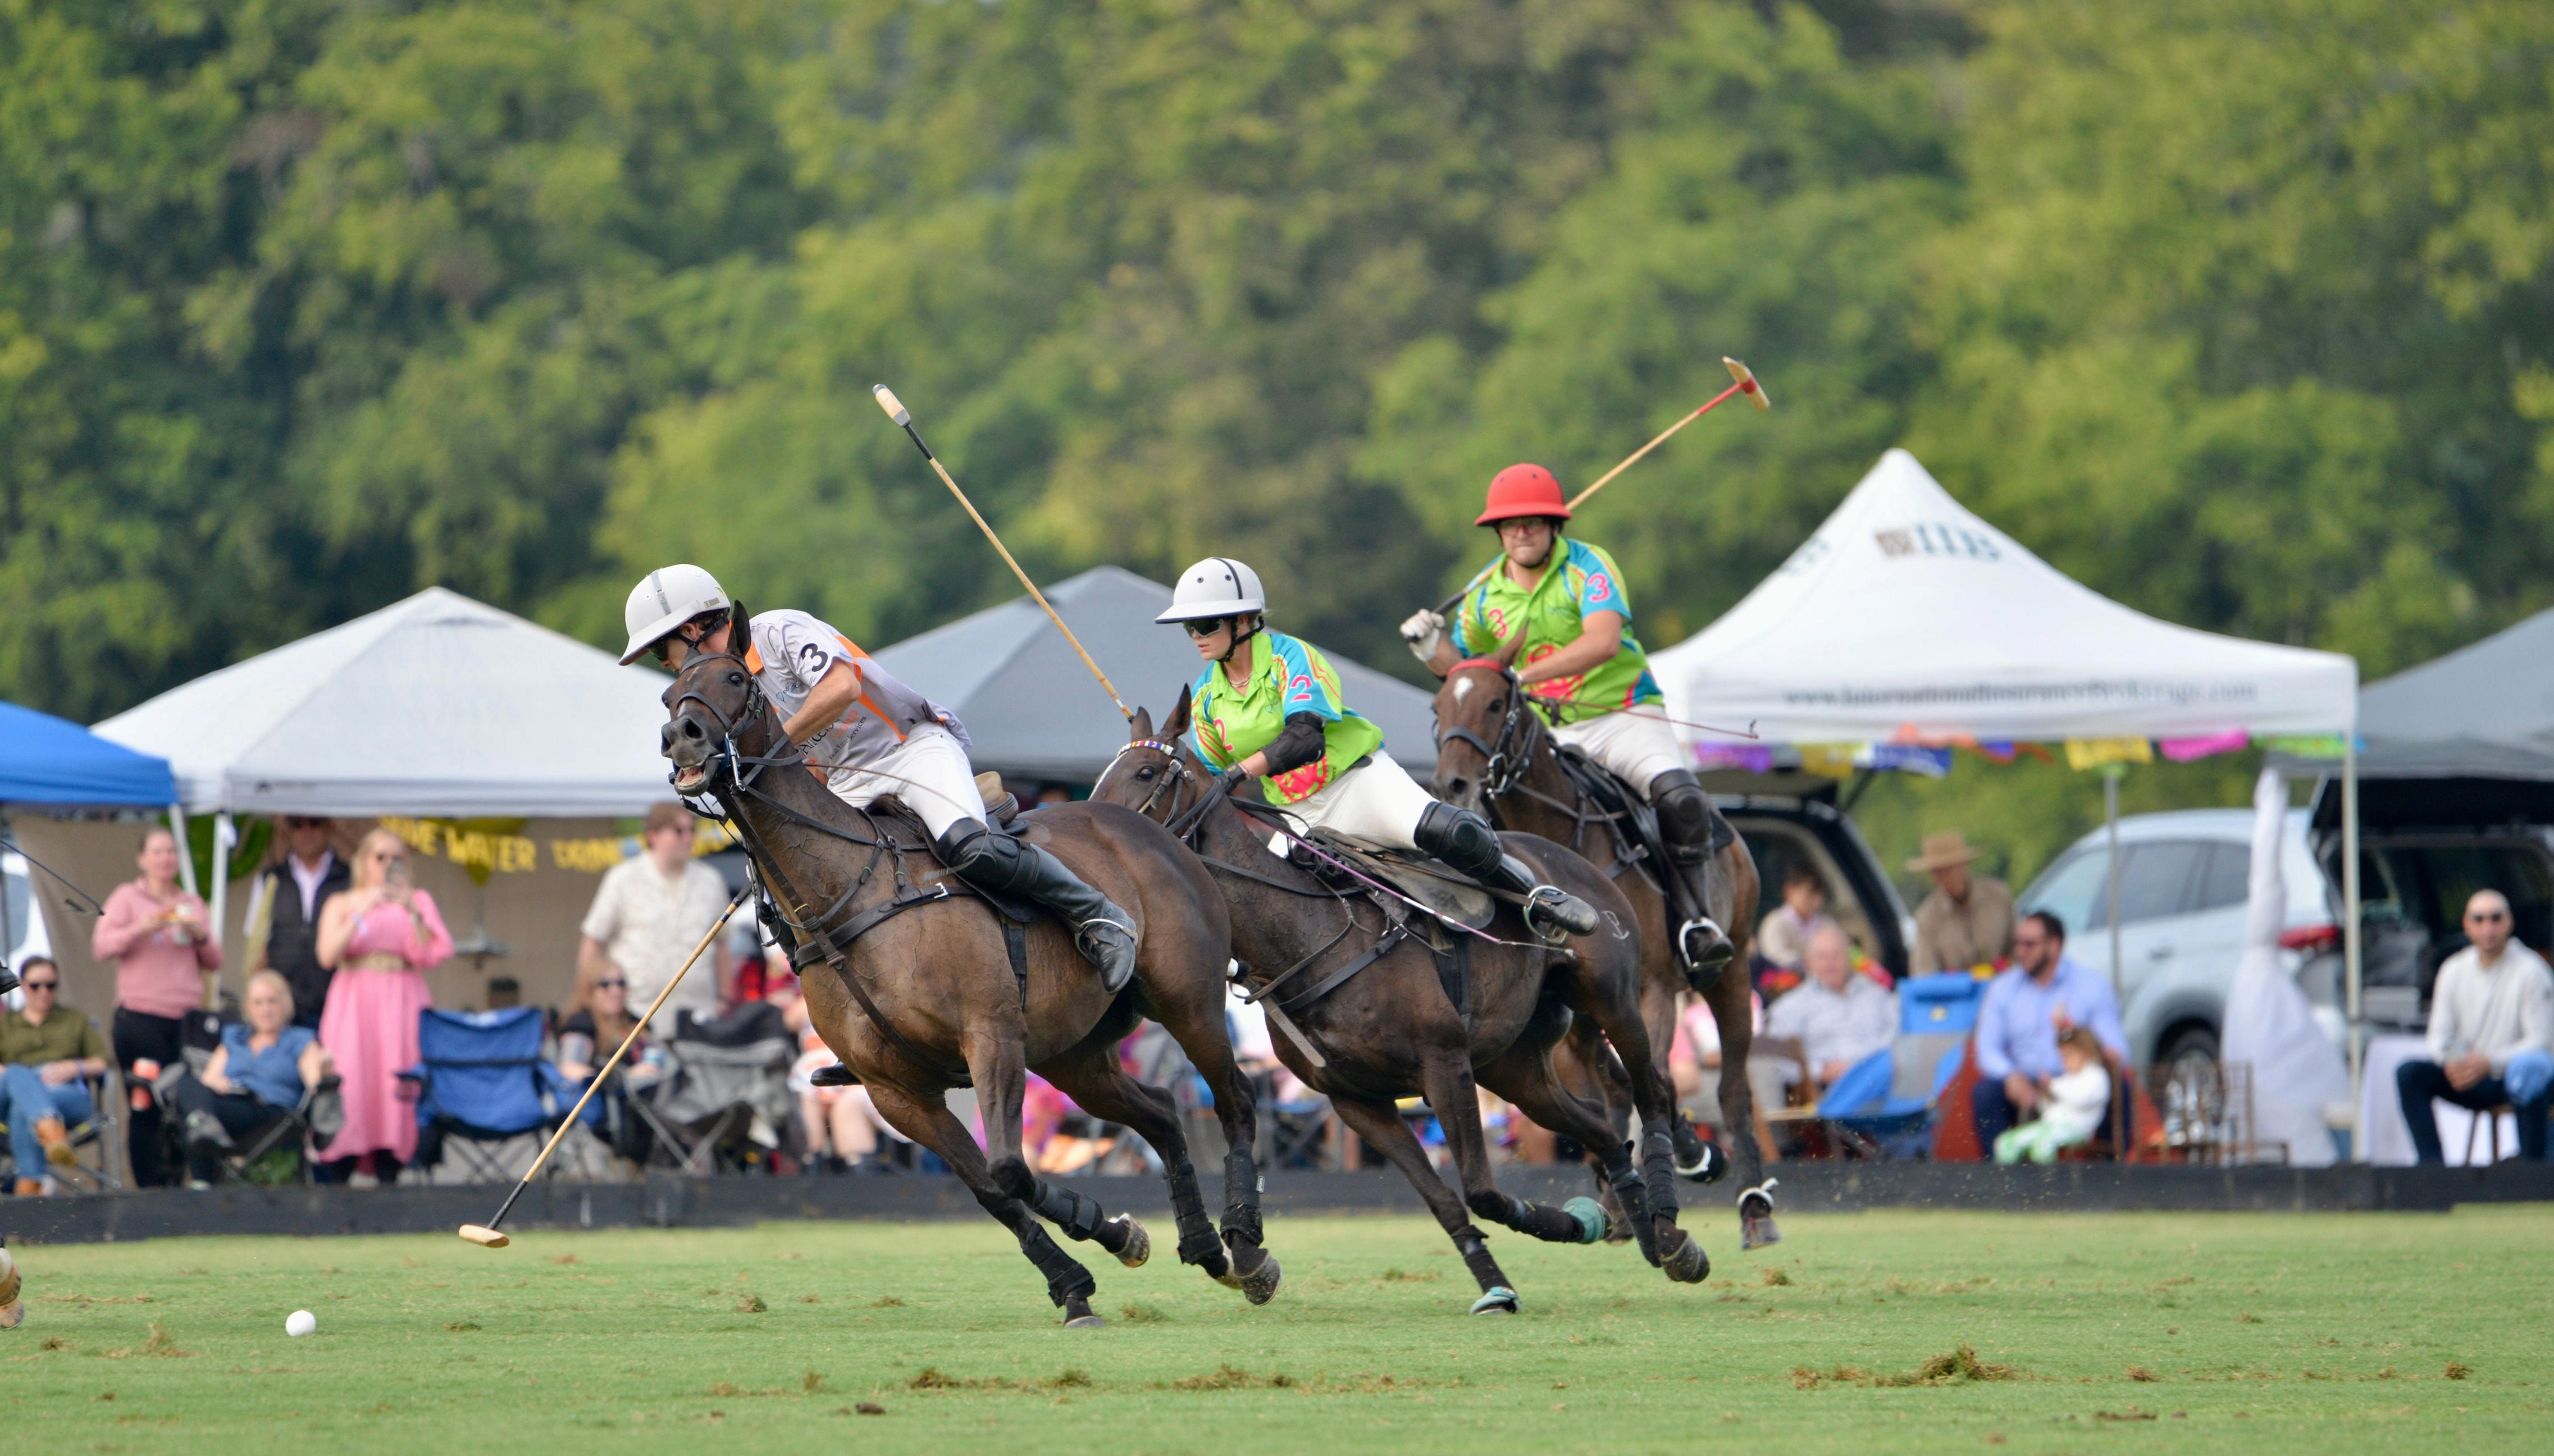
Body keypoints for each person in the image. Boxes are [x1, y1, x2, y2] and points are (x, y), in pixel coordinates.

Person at [621, 564, 1139, 991]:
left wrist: (778, 747)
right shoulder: (724, 689)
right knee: (802, 887)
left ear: (692, 630)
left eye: (661, 650)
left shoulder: (777, 632)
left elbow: (842, 687)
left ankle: (1098, 915)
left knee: (968, 845)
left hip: (908, 748)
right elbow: (805, 762)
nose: (665, 664)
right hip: (847, 779)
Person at [1402, 464, 1735, 971]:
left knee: (1679, 797)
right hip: (1544, 733)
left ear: (1554, 525)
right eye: (1510, 524)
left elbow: (1603, 641)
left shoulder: (1588, 566)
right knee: (1477, 816)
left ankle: (1696, 923)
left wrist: (1522, 676)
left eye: (1533, 521)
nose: (1521, 532)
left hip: (1622, 714)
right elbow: (1467, 675)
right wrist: (1431, 645)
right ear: (1498, 532)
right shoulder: (1483, 593)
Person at [1164, 556, 1597, 937]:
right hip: (1297, 816)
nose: (1196, 636)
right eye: (1189, 627)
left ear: (1243, 621)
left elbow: (1305, 737)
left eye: (1206, 624)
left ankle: (1539, 897)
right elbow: (1209, 779)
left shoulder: (1289, 657)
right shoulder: (1204, 696)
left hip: (1358, 783)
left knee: (1451, 831)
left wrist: (1240, 772)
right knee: (1259, 905)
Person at [314, 828, 453, 1186]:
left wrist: (413, 912)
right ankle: (342, 1168)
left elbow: (437, 952)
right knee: (352, 1078)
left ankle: (393, 1166)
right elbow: (327, 955)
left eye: (397, 858)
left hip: (401, 999)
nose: (389, 864)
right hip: (354, 1002)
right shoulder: (342, 902)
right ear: (364, 861)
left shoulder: (418, 900)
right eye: (381, 857)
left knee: (397, 1078)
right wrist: (364, 908)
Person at [92, 825, 221, 1186]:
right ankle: (148, 1187)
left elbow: (216, 960)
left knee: (185, 1102)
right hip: (141, 1021)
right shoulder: (126, 898)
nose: (166, 858)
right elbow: (101, 947)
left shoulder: (191, 902)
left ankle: (179, 1182)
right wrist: (143, 927)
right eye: (158, 852)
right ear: (142, 859)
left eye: (171, 851)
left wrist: (199, 935)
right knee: (145, 1103)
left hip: (186, 1023)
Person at [2395, 889, 2554, 1163]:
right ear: (2466, 925)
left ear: (2509, 922)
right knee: (2409, 1074)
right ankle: (2432, 1170)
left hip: (2510, 1078)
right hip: (2469, 1077)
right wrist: (2458, 1061)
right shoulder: (2453, 970)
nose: (2487, 928)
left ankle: (2531, 1166)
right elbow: (2439, 1035)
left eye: (2496, 918)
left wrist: (2489, 1062)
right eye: (2479, 919)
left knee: (2529, 1068)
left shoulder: (2532, 970)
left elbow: (2542, 1041)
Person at [1971, 911, 2127, 1151]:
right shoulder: (2003, 989)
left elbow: (2116, 1048)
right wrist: (2011, 1076)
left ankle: (2113, 1168)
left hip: (2077, 1080)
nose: (2019, 952)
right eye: (2017, 944)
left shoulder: (2091, 986)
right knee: (1986, 1093)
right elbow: (1987, 1049)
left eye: (2029, 944)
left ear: (2054, 946)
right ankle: (2000, 1171)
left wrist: (2097, 1061)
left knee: (2118, 1085)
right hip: (2024, 1080)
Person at [169, 970, 333, 1188]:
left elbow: (315, 1085)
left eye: (272, 1001)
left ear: (285, 1004)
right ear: (249, 1008)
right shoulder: (236, 1037)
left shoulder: (300, 1040)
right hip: (227, 1103)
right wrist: (216, 1083)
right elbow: (209, 1078)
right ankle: (204, 1131)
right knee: (186, 1082)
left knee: (192, 1113)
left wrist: (325, 1071)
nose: (266, 1009)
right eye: (258, 1003)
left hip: (269, 1111)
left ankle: (203, 1180)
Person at [578, 805, 732, 1028]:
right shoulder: (623, 879)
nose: (688, 838)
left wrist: (725, 998)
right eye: (679, 831)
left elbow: (723, 944)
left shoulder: (711, 880)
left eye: (692, 830)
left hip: (699, 1014)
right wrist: (589, 1001)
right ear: (654, 836)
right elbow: (593, 939)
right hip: (636, 1014)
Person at [0, 958, 108, 1197]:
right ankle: (51, 1131)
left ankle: (29, 1186)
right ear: (23, 986)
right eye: (36, 986)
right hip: (10, 1093)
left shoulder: (74, 1019)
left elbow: (103, 1062)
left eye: (51, 986)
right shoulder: (6, 1024)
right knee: (17, 1075)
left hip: (65, 1093)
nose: (44, 992)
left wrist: (75, 1067)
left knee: (22, 1109)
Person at [1760, 926, 1898, 1094]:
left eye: (1837, 955)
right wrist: (1820, 1071)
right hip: (1827, 1093)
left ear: (1850, 958)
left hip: (1882, 1084)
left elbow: (1899, 1037)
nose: (1830, 964)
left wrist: (1873, 1067)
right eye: (1822, 957)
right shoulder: (1790, 1007)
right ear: (1809, 962)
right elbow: (1778, 1062)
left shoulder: (1877, 996)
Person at [245, 816, 349, 1031]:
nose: (307, 831)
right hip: (280, 1006)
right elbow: (257, 945)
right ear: (288, 831)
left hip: (336, 1001)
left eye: (315, 823)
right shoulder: (270, 879)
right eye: (298, 825)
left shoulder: (349, 878)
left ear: (330, 827)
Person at [1993, 1026, 2112, 1165]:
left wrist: (2053, 1087)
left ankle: (2046, 1178)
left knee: (2043, 1145)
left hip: (2077, 1130)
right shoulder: (2067, 1079)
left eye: (2069, 1056)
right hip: (2049, 1126)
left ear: (2086, 1052)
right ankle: (2007, 1177)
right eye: (2063, 1058)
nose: (2065, 1063)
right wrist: (2045, 1097)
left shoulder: (2096, 1077)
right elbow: (2048, 1109)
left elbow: (2081, 1099)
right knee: (2006, 1142)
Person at [1907, 830, 2015, 976]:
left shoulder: (1998, 896)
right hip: (1958, 989)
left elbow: (2019, 947)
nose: (1943, 876)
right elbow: (1924, 973)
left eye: (1948, 868)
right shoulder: (1927, 917)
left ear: (1964, 864)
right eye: (1937, 871)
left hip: (2006, 981)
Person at [1756, 864, 1838, 974]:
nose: (1816, 900)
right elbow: (1774, 959)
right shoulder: (1775, 923)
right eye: (1810, 893)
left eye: (1820, 894)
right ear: (1789, 891)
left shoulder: (1827, 923)